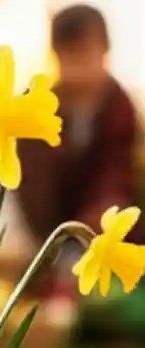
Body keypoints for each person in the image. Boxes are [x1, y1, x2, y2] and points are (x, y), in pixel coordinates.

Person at [18, 4, 143, 256]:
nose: (79, 68)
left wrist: (97, 221)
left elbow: (118, 173)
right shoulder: (37, 106)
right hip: (49, 233)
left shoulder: (120, 108)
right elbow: (32, 179)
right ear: (56, 55)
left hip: (105, 231)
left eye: (86, 54)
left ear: (105, 50)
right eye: (70, 56)